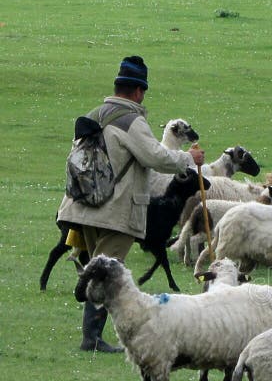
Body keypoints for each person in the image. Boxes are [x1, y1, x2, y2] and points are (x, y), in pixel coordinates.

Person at [57, 55, 204, 352]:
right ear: (138, 91)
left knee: (102, 266)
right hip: (115, 211)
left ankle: (92, 318)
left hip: (85, 205)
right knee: (108, 271)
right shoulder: (131, 120)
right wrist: (189, 159)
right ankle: (92, 338)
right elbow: (157, 157)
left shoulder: (96, 113)